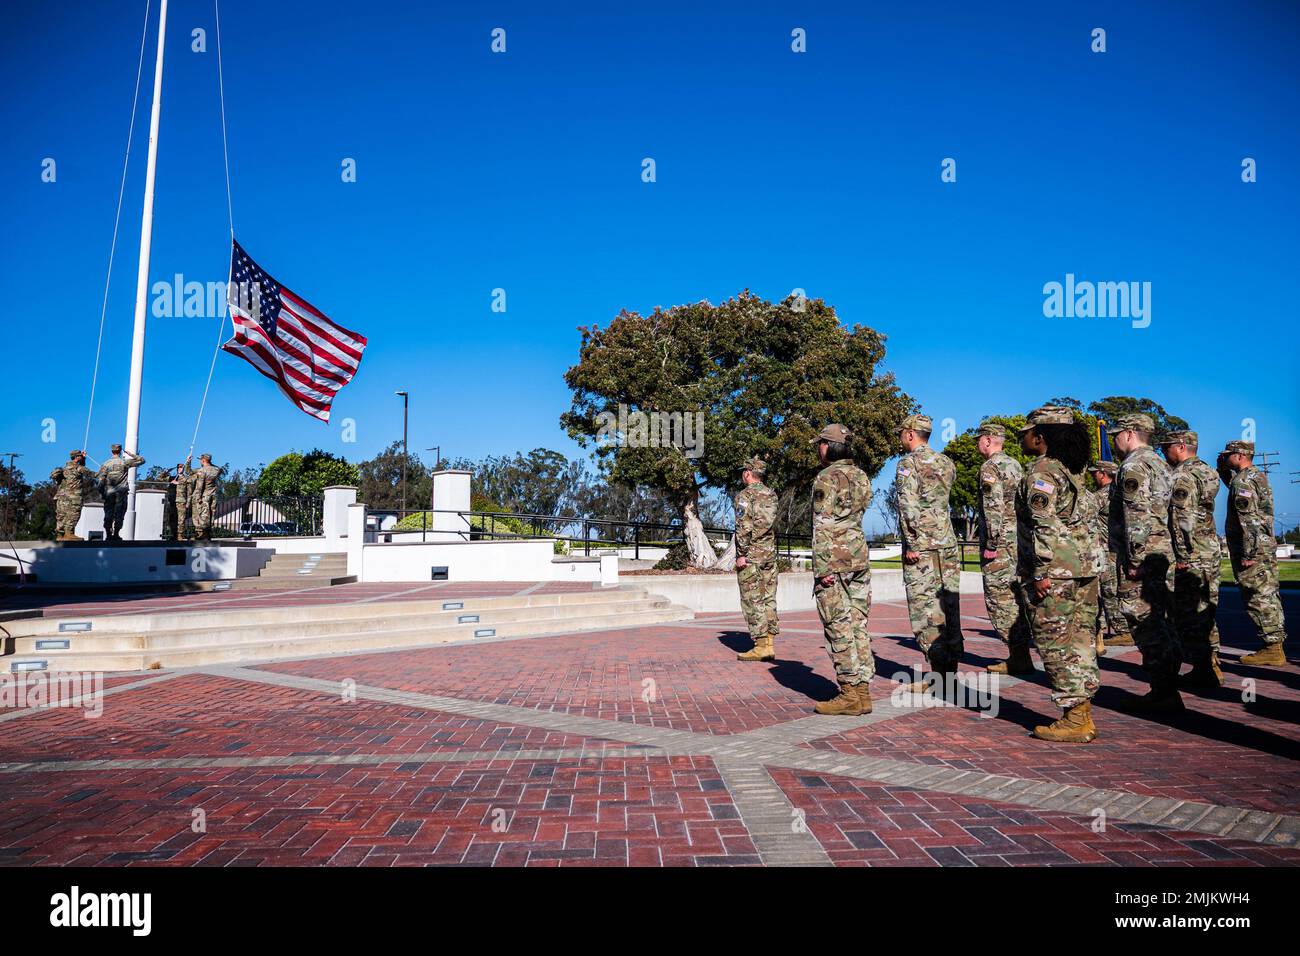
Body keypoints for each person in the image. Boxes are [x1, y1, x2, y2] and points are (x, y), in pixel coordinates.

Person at [1016, 406, 1104, 742]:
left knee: (1055, 641)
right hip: (1084, 566)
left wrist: (1040, 572)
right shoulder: (1073, 470)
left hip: (1057, 571)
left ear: (1041, 437)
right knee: (1081, 640)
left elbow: (1044, 524)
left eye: (1027, 432)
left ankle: (1074, 716)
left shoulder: (1043, 472)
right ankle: (1082, 713)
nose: (1023, 437)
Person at [1110, 413, 1183, 712]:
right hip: (1161, 550)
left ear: (1128, 433)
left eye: (1115, 435)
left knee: (1144, 621)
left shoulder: (1135, 465)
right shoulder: (1159, 463)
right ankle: (1166, 686)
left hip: (1142, 556)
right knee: (1162, 619)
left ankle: (1164, 689)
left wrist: (1135, 559)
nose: (1113, 441)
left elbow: (1136, 514)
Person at [810, 424, 874, 715]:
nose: (819, 448)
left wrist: (822, 568)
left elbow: (822, 525)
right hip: (858, 555)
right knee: (858, 623)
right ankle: (863, 692)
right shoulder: (861, 475)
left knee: (838, 624)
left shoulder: (826, 477)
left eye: (821, 444)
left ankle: (849, 692)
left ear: (831, 446)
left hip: (835, 560)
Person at [895, 413, 962, 690]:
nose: (900, 437)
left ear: (911, 434)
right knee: (949, 607)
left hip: (922, 545)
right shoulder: (946, 462)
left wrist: (911, 543)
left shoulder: (907, 464)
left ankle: (938, 676)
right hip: (946, 542)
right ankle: (949, 675)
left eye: (902, 432)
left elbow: (907, 505)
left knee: (926, 610)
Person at [1160, 430, 1223, 686]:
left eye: (1167, 448)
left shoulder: (1183, 475)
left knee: (1187, 613)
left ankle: (1204, 669)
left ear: (1181, 446)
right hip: (1208, 547)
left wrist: (1183, 554)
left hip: (1192, 551)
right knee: (1206, 606)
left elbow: (1181, 517)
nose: (1164, 452)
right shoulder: (1208, 471)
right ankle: (1211, 662)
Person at [1221, 440, 1289, 666]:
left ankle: (1272, 648)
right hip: (1264, 546)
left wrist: (1248, 553)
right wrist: (1223, 470)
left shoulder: (1244, 481)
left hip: (1252, 549)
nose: (1225, 457)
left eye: (1229, 454)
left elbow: (1247, 519)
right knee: (1268, 594)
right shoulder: (1256, 476)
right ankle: (1275, 644)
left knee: (1257, 596)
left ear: (1240, 455)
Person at [975, 421, 1034, 675]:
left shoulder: (990, 467)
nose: (978, 444)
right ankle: (1020, 655)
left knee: (1000, 599)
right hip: (1018, 541)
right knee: (1016, 596)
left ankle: (1018, 656)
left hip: (1000, 544)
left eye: (979, 439)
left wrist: (991, 542)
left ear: (988, 440)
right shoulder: (1015, 465)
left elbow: (993, 507)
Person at [734, 455, 780, 662]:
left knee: (753, 600)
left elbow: (744, 526)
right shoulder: (771, 494)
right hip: (769, 554)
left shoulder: (745, 495)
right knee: (769, 598)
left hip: (752, 555)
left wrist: (741, 554)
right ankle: (769, 643)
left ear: (748, 473)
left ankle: (761, 645)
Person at [1087, 461, 1133, 651]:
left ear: (1103, 474)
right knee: (1117, 588)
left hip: (1106, 550)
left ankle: (1123, 630)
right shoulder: (1120, 494)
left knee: (1108, 590)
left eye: (1095, 473)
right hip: (1120, 549)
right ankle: (1123, 627)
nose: (1093, 477)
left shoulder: (1101, 496)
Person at [97, 442, 145, 541]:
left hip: (109, 492)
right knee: (119, 513)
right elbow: (142, 460)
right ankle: (116, 534)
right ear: (120, 451)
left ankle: (108, 534)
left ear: (111, 451)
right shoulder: (124, 462)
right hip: (121, 492)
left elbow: (101, 481)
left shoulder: (105, 464)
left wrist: (102, 493)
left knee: (108, 513)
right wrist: (131, 454)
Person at [51, 450, 94, 541]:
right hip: (74, 496)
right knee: (74, 514)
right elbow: (91, 474)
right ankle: (69, 533)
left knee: (62, 515)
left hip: (62, 496)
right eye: (80, 456)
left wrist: (83, 459)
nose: (81, 457)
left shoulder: (65, 468)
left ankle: (60, 534)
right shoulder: (78, 467)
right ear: (77, 457)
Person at [190, 453, 224, 539]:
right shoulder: (216, 470)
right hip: (213, 494)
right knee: (211, 514)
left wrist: (198, 498)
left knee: (201, 515)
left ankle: (201, 534)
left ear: (203, 460)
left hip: (204, 495)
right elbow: (220, 469)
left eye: (201, 460)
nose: (200, 461)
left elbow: (200, 486)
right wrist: (210, 464)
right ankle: (208, 533)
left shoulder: (202, 470)